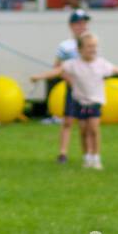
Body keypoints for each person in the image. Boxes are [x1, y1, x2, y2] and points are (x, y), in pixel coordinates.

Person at [31, 33, 118, 169]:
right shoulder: (73, 64)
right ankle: (86, 156)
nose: (93, 49)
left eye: (94, 46)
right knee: (83, 130)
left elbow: (116, 69)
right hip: (79, 102)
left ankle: (96, 157)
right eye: (89, 47)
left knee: (93, 129)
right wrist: (38, 77)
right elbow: (57, 71)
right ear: (80, 50)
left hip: (94, 102)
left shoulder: (101, 64)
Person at [51, 9, 90, 162]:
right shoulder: (65, 46)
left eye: (84, 23)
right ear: (71, 26)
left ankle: (87, 154)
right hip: (72, 88)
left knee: (85, 123)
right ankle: (63, 153)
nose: (82, 26)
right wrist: (69, 79)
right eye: (78, 23)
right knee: (68, 120)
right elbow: (57, 67)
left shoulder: (90, 43)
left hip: (86, 90)